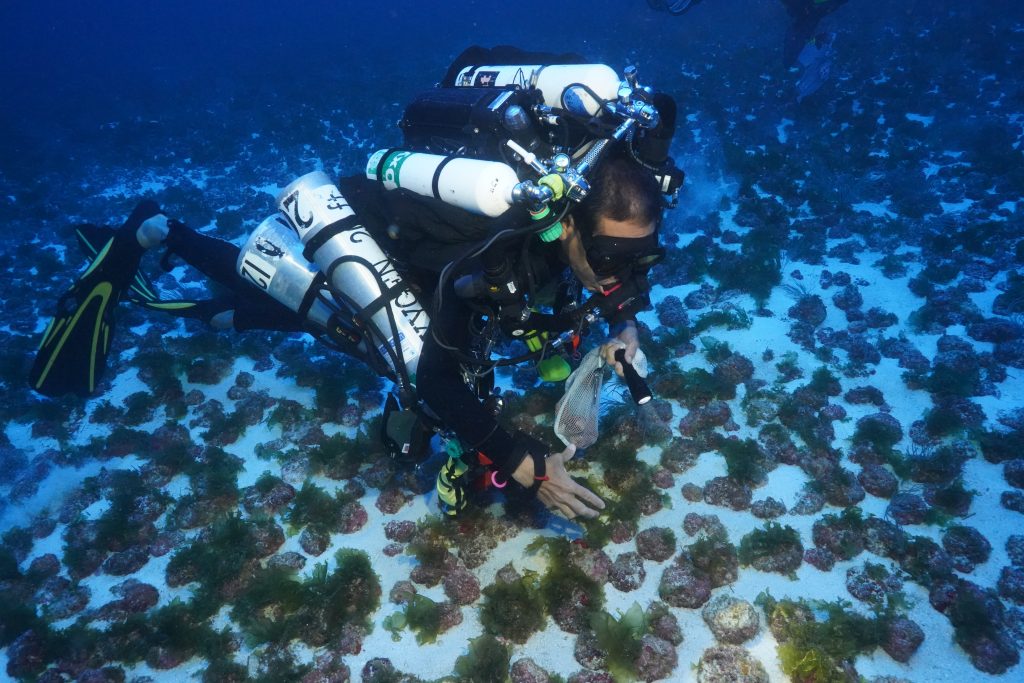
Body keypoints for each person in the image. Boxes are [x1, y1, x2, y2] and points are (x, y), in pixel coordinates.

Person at [31, 48, 677, 523]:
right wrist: (527, 463)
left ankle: (226, 304)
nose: (623, 276)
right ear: (568, 228)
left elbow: (614, 276)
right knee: (325, 317)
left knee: (319, 323)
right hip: (371, 232)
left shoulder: (600, 196)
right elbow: (437, 382)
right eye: (609, 259)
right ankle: (161, 231)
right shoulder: (496, 254)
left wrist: (624, 325)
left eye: (640, 260)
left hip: (431, 250)